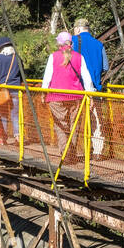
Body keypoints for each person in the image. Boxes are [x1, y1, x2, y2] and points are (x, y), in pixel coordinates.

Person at [41, 30, 94, 166]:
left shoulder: (53, 57)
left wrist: (43, 93)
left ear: (58, 43)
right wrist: (91, 95)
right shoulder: (79, 57)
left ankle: (65, 154)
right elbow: (87, 78)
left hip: (56, 97)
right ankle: (72, 154)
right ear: (71, 43)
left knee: (61, 126)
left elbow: (47, 77)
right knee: (74, 126)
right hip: (76, 96)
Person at [0, 36, 23, 145]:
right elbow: (22, 75)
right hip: (16, 90)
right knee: (15, 114)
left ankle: (3, 138)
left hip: (2, 91)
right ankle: (18, 137)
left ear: (2, 48)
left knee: (3, 115)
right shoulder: (17, 58)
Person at [71, 18, 109, 91]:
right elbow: (105, 67)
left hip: (77, 89)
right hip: (94, 89)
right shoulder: (99, 44)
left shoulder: (72, 40)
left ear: (78, 29)